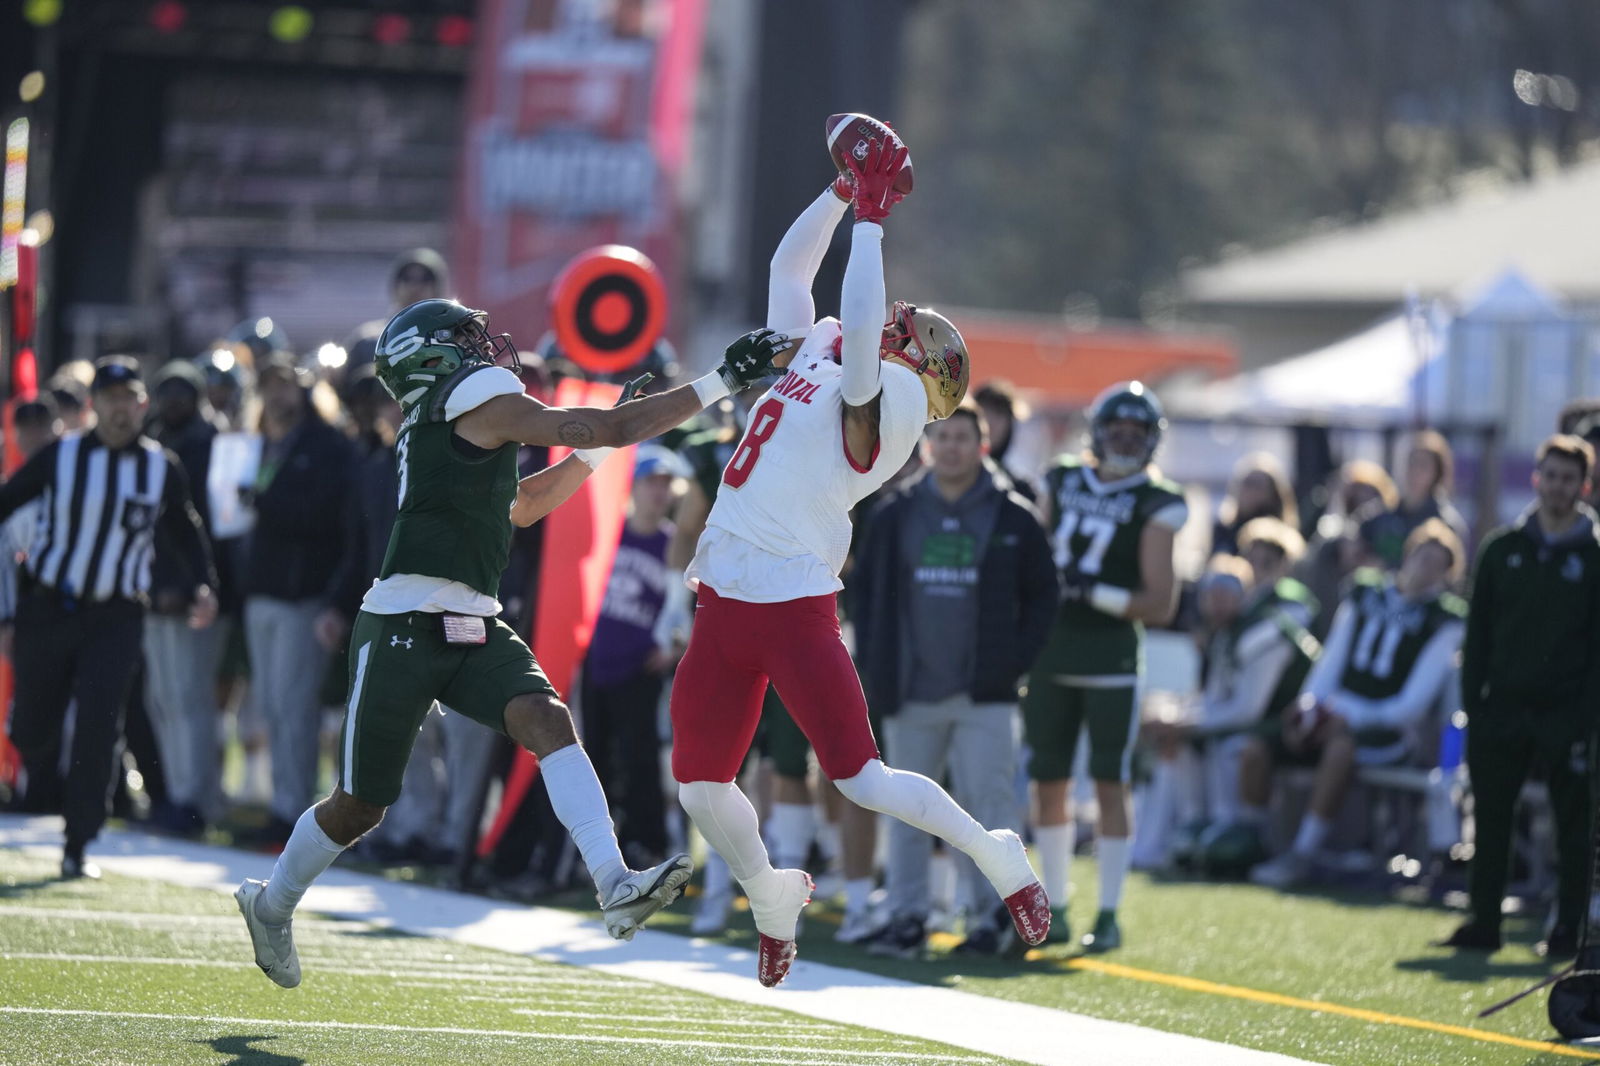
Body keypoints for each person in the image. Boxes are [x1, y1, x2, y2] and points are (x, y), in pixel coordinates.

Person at [235, 296, 788, 988]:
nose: (484, 346)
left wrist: (600, 446)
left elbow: (521, 506)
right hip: (405, 619)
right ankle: (272, 904)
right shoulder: (467, 397)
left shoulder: (452, 417)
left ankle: (614, 882)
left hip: (471, 616)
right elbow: (611, 426)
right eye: (464, 338)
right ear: (430, 357)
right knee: (359, 807)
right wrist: (722, 380)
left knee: (547, 719)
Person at [668, 137, 1049, 989]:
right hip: (725, 593)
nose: (899, 315)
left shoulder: (898, 402)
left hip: (791, 602)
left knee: (860, 779)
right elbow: (789, 269)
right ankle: (770, 893)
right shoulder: (826, 351)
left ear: (926, 365)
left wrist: (872, 224)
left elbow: (867, 350)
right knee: (698, 786)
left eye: (912, 326)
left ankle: (995, 852)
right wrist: (841, 192)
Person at [851, 399, 1058, 956]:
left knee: (990, 809)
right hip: (910, 691)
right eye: (941, 437)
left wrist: (1012, 662)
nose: (951, 447)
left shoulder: (1014, 515)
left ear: (982, 446)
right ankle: (907, 916)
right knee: (907, 814)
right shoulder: (893, 514)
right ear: (926, 446)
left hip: (984, 695)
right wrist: (876, 670)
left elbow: (1045, 597)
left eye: (962, 438)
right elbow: (865, 598)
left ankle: (992, 921)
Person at [0, 357, 218, 878]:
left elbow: (185, 528)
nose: (120, 409)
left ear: (142, 404)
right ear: (94, 404)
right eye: (110, 399)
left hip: (116, 615)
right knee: (33, 731)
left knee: (100, 725)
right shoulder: (61, 456)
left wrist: (204, 585)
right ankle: (29, 736)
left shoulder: (160, 466)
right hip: (51, 607)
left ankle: (79, 841)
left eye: (129, 399)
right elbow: (8, 500)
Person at [1024, 380, 1187, 952]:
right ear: (1097, 431)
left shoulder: (1159, 499)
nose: (1124, 439)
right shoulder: (1063, 477)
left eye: (1135, 431)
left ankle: (1110, 912)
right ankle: (1056, 905)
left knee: (1110, 782)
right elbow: (1033, 553)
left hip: (1110, 657)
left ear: (1152, 439)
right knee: (1048, 781)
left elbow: (1160, 604)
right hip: (1050, 651)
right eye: (1115, 429)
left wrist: (1095, 592)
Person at [1439, 435, 1600, 957]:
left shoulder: (1594, 557)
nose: (1558, 487)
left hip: (1566, 716)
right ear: (1535, 478)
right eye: (1550, 476)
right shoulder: (1500, 549)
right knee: (1491, 818)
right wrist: (1476, 707)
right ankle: (1483, 921)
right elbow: (1477, 637)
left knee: (1573, 828)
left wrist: (1586, 721)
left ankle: (1567, 929)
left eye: (1568, 479)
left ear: (1585, 486)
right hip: (1502, 711)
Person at [1244, 519, 1466, 888]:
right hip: (1334, 714)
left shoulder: (1444, 620)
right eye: (1422, 557)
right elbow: (1330, 661)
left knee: (1340, 750)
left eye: (1437, 564)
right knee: (1256, 747)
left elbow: (1411, 705)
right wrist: (1310, 708)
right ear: (1408, 554)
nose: (1425, 568)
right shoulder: (1365, 592)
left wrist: (1349, 716)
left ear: (1448, 574)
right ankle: (1253, 842)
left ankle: (1302, 854)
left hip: (1385, 732)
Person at [239, 355, 360, 846]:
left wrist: (263, 501)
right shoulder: (255, 444)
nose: (277, 394)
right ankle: (282, 804)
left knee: (295, 708)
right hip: (262, 591)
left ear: (305, 390)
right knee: (272, 706)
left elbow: (324, 518)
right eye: (269, 385)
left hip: (303, 596)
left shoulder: (328, 445)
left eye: (286, 384)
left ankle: (296, 814)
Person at [579, 444, 689, 867]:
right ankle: (596, 850)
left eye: (665, 484)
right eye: (650, 482)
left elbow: (689, 611)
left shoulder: (675, 545)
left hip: (642, 669)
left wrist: (674, 647)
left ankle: (646, 845)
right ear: (633, 486)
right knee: (594, 759)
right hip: (597, 662)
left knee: (641, 759)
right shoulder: (610, 533)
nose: (658, 492)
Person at [141, 360, 229, 837]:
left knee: (190, 698)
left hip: (195, 592)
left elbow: (209, 528)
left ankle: (196, 801)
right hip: (153, 590)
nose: (173, 400)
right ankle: (178, 796)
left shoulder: (213, 444)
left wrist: (196, 584)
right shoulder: (152, 442)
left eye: (183, 391)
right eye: (166, 391)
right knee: (163, 698)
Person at [1359, 429, 1469, 572]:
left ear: (1437, 472)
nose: (1414, 472)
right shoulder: (1379, 517)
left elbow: (1452, 575)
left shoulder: (1446, 524)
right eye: (1411, 463)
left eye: (1423, 466)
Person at [1212, 452, 1298, 558]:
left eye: (1256, 485)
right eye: (1246, 483)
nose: (1249, 490)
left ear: (1273, 494)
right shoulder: (1223, 532)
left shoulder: (1283, 536)